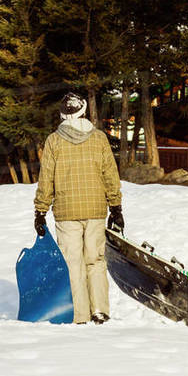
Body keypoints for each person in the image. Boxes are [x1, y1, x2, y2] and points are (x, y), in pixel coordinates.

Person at [33, 93, 123, 324]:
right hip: (95, 209)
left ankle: (79, 314)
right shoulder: (99, 138)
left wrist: (40, 211)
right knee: (95, 260)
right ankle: (100, 310)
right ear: (83, 111)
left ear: (63, 114)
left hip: (65, 212)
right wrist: (116, 207)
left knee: (72, 263)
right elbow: (110, 174)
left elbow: (46, 179)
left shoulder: (53, 141)